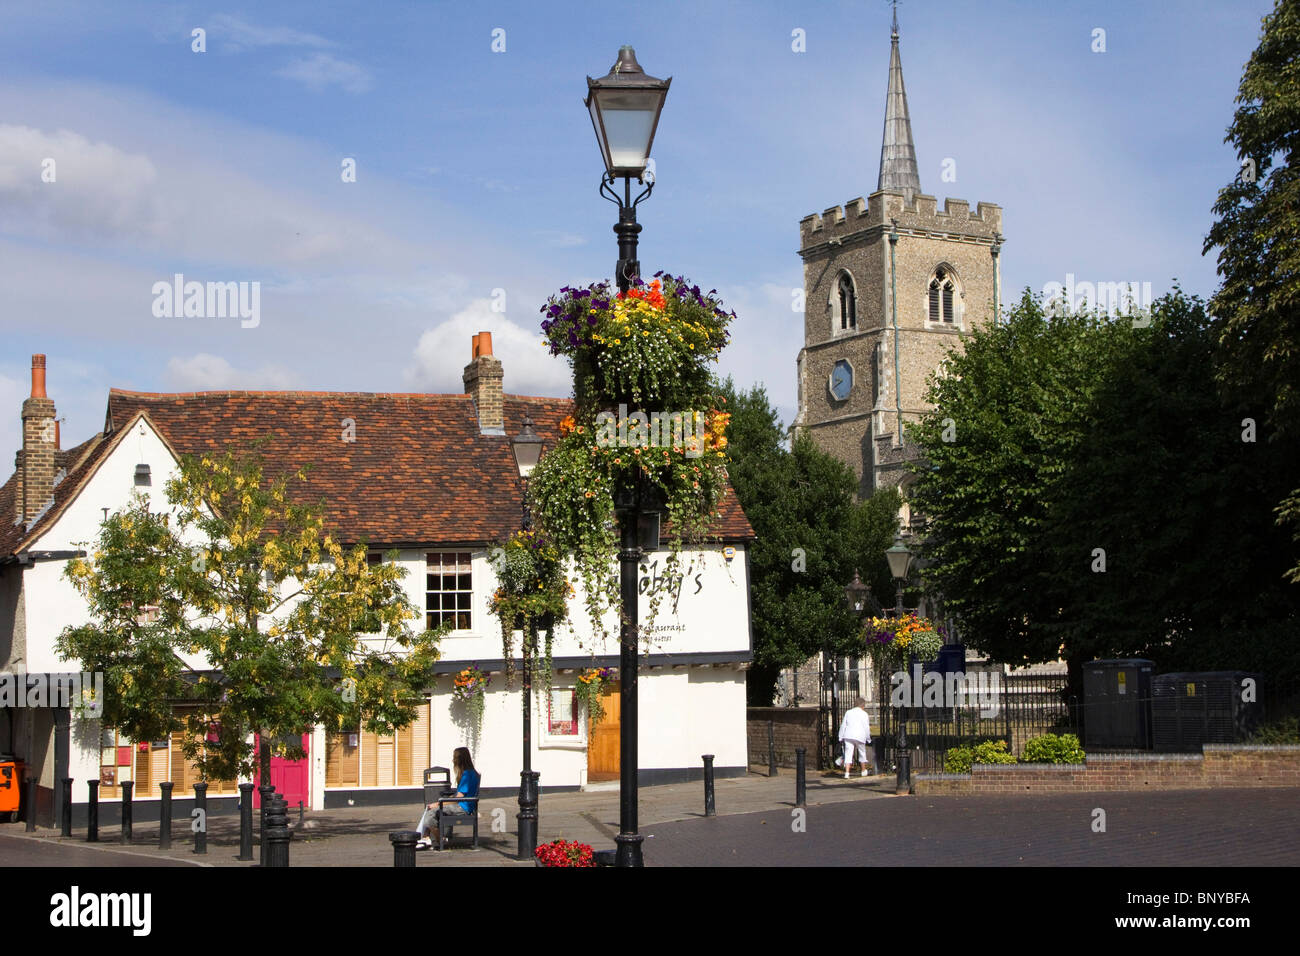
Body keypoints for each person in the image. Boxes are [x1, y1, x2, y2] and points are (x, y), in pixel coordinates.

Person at [415, 746, 480, 849]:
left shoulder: (467, 775)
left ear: (460, 759)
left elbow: (458, 798)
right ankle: (426, 837)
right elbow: (460, 795)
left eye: (455, 758)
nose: (453, 760)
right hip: (465, 805)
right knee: (432, 809)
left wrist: (438, 804)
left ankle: (439, 840)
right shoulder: (471, 773)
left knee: (431, 813)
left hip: (462, 807)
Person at [838, 698, 874, 778]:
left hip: (848, 735)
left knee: (848, 753)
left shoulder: (848, 712)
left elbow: (843, 725)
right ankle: (863, 770)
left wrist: (840, 736)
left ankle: (847, 773)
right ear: (863, 706)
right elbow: (866, 727)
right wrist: (868, 738)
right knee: (862, 753)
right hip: (860, 735)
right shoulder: (864, 714)